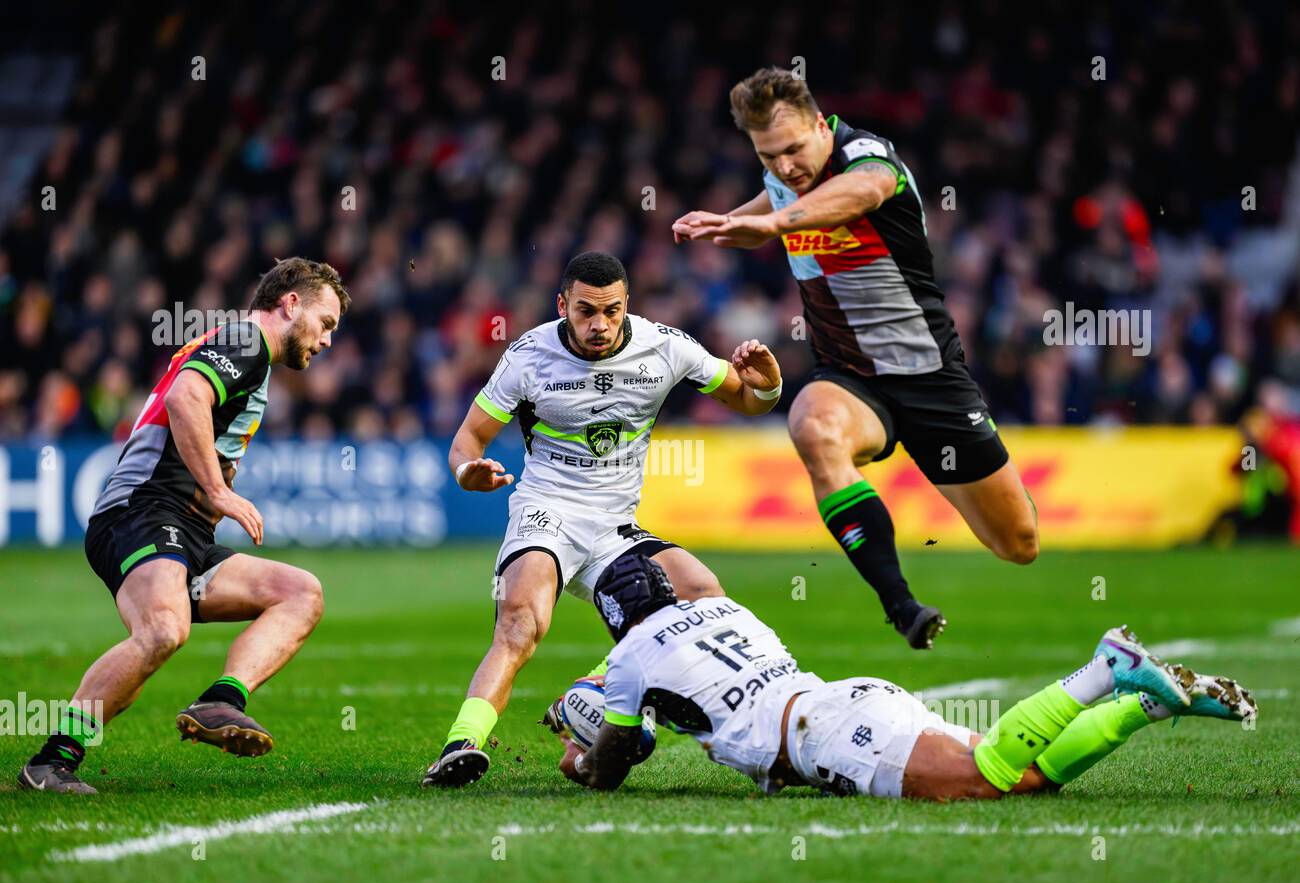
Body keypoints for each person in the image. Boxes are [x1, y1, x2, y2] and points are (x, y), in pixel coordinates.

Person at [673, 67, 1039, 650]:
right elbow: (763, 212)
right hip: (849, 378)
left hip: (929, 376)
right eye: (770, 157)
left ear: (821, 125)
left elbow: (863, 192)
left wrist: (769, 222)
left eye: (794, 149)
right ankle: (902, 607)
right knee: (812, 427)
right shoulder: (781, 182)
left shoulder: (864, 155)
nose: (786, 166)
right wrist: (726, 225)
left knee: (1017, 543)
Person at [424, 251, 783, 787]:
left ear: (627, 305)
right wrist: (466, 472)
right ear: (562, 304)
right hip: (546, 513)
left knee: (705, 595)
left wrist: (771, 385)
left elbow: (750, 401)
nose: (600, 325)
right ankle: (462, 744)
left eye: (612, 311)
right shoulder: (528, 356)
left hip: (616, 525)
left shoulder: (666, 347)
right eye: (586, 311)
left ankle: (595, 688)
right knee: (522, 623)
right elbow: (466, 441)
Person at [18, 257, 349, 794]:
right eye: (326, 323)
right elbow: (184, 397)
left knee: (300, 594)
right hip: (142, 511)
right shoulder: (245, 341)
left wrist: (213, 496)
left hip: (185, 531)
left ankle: (222, 700)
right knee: (164, 630)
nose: (327, 341)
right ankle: (51, 761)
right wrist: (220, 491)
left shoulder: (248, 356)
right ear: (291, 305)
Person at [547, 555, 1256, 799]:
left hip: (830, 737)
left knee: (988, 778)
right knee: (1031, 776)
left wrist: (581, 759)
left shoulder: (631, 658)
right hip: (842, 703)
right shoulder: (721, 608)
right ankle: (1150, 705)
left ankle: (1107, 669)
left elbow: (615, 763)